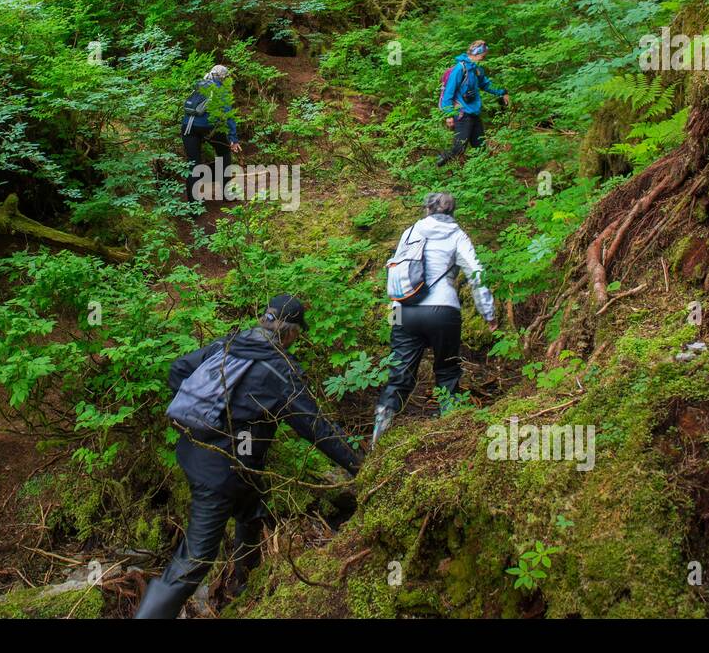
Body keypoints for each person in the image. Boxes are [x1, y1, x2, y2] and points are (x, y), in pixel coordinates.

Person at [134, 295, 363, 618]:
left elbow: (178, 370)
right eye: (297, 334)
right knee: (196, 558)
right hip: (219, 473)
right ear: (291, 333)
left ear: (264, 320)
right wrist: (361, 466)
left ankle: (243, 589)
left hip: (207, 456)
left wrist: (209, 418)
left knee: (251, 509)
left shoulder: (227, 344)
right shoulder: (279, 370)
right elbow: (316, 427)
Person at [373, 193, 496, 446]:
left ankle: (379, 435)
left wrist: (393, 317)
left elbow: (396, 274)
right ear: (453, 212)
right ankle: (447, 438)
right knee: (447, 371)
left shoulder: (410, 232)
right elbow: (476, 273)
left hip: (404, 310)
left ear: (427, 210)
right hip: (443, 311)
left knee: (399, 376)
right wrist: (489, 313)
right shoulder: (458, 235)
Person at [437, 40, 509, 165]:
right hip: (462, 114)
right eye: (483, 55)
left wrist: (502, 92)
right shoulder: (460, 68)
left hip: (474, 113)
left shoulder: (477, 69)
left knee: (480, 147)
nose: (483, 57)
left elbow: (486, 85)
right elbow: (448, 93)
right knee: (459, 148)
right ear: (476, 53)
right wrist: (448, 115)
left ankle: (481, 175)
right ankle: (436, 165)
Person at [181, 63, 242, 202]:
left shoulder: (199, 85)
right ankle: (227, 195)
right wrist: (233, 139)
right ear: (223, 78)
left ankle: (193, 207)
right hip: (209, 127)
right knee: (224, 154)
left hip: (188, 127)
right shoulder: (220, 90)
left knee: (193, 164)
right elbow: (228, 115)